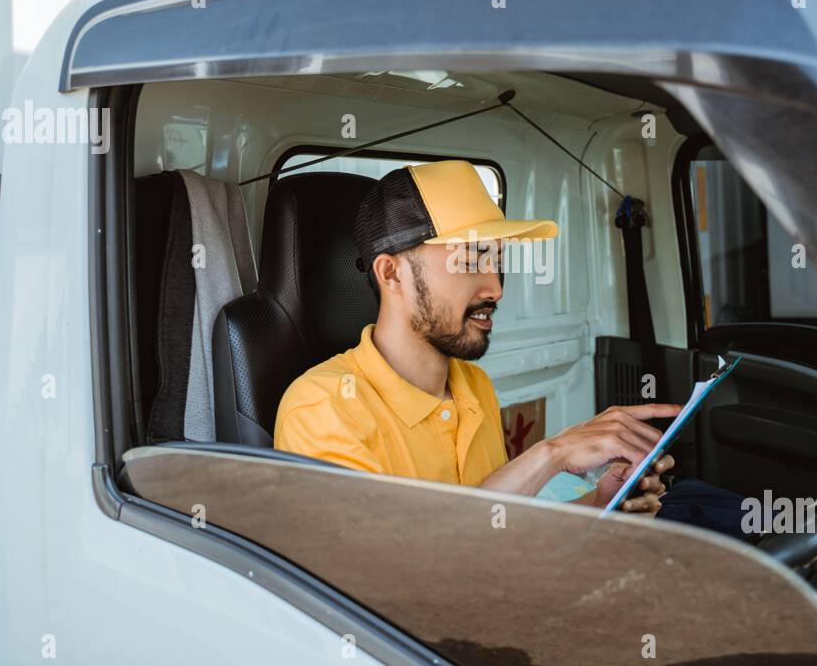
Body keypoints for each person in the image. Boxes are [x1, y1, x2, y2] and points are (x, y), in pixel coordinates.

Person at [274, 159, 749, 534]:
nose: (495, 288)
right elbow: (392, 576)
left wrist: (599, 505)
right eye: (470, 260)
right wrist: (551, 454)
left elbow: (496, 528)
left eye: (497, 261)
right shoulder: (322, 408)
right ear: (390, 272)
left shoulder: (471, 384)